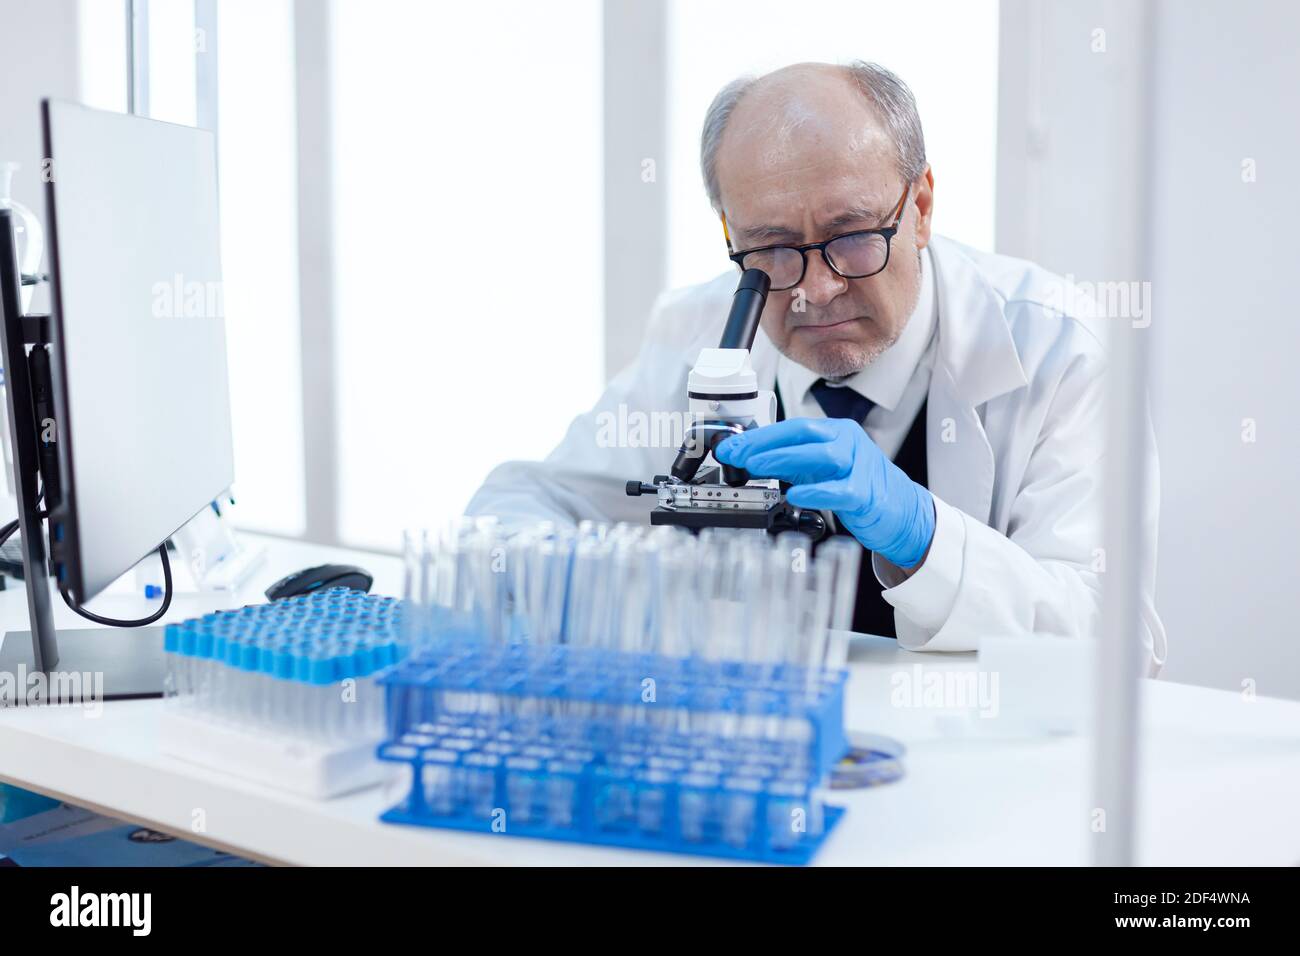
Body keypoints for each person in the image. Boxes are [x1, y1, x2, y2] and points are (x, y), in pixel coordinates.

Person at [467, 61, 1166, 671]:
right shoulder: (695, 331)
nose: (816, 288)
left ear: (920, 207)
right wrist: (624, 595)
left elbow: (1115, 644)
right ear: (728, 234)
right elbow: (516, 512)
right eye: (771, 247)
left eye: (853, 236)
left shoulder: (1056, 347)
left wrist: (924, 536)